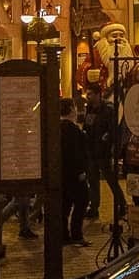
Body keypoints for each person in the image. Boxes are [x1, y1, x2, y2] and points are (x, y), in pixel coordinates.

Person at [82, 86, 126, 222]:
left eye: (90, 94)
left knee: (111, 180)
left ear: (98, 95)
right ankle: (94, 207)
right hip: (91, 151)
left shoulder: (107, 110)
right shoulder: (89, 109)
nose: (88, 96)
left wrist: (107, 140)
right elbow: (87, 126)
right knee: (93, 180)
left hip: (103, 152)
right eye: (87, 94)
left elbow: (113, 130)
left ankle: (122, 204)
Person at [61, 98, 89, 245]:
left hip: (62, 173)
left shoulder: (58, 128)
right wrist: (81, 171)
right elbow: (76, 153)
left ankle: (64, 234)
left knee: (65, 204)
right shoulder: (72, 130)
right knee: (82, 200)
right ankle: (76, 233)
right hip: (74, 174)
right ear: (72, 109)